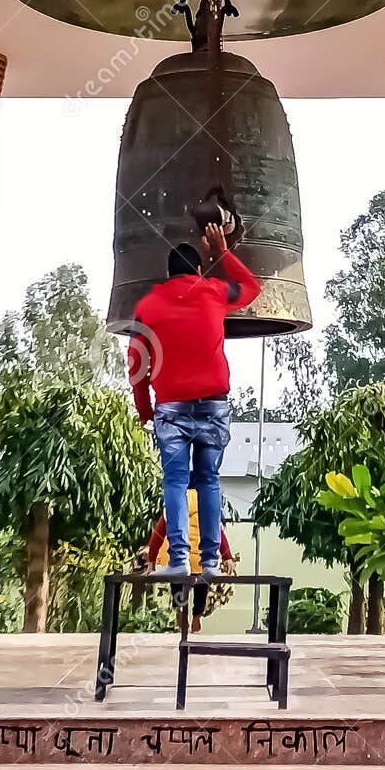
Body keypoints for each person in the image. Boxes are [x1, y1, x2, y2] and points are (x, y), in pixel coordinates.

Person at [129, 220, 261, 578]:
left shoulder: (148, 306)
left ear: (167, 274)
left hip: (170, 408)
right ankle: (212, 562)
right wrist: (223, 251)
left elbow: (136, 363)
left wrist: (143, 409)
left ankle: (178, 561)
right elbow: (251, 286)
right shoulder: (214, 291)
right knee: (208, 480)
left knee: (174, 481)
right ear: (199, 270)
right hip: (214, 405)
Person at [144, 489, 235, 632]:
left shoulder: (173, 504)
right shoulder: (208, 505)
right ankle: (197, 616)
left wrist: (152, 561)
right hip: (201, 557)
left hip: (180, 556)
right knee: (202, 586)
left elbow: (158, 535)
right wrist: (227, 557)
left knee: (177, 582)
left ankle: (179, 607)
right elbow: (219, 534)